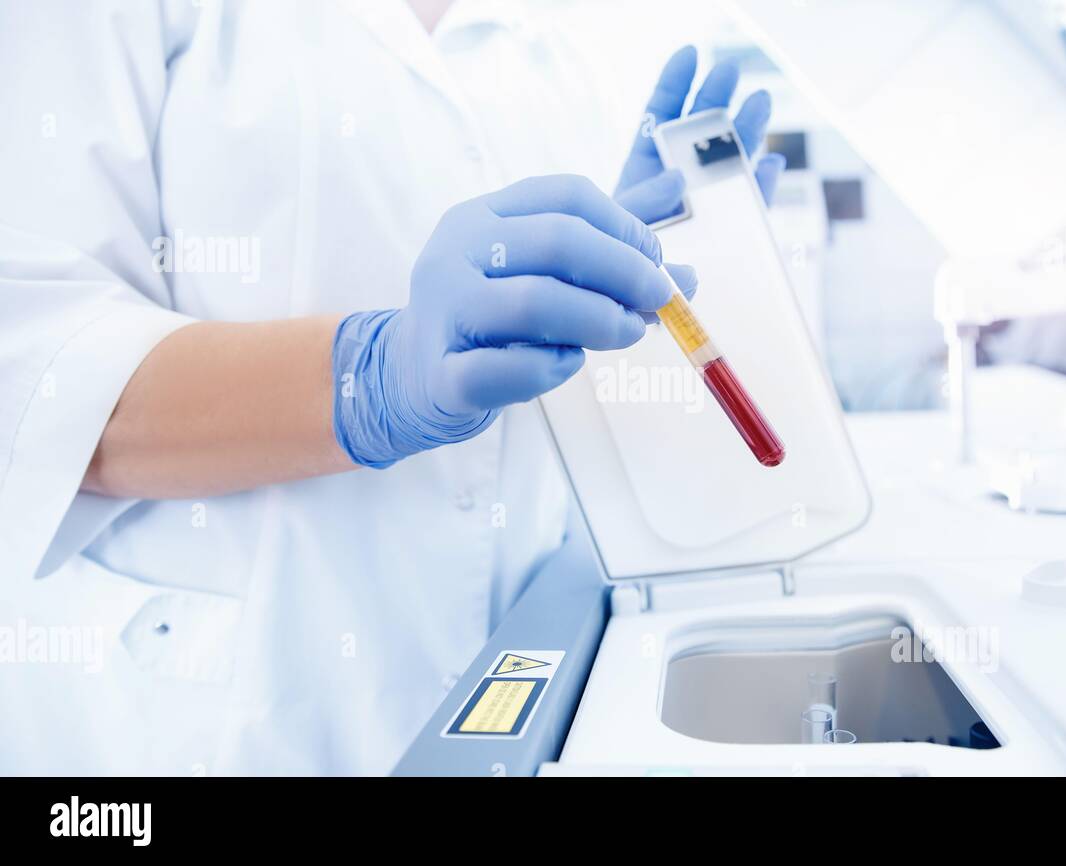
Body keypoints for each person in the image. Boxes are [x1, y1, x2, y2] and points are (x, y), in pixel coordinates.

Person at [0, 0, 782, 774]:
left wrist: (623, 298)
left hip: (522, 692)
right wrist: (370, 378)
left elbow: (538, 399)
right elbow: (43, 385)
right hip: (227, 721)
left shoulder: (560, 42)